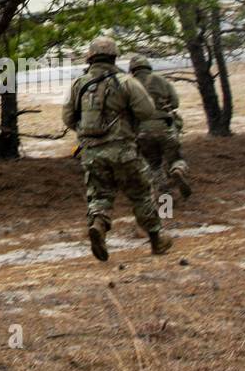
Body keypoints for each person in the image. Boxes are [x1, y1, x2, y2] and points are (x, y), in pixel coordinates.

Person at [62, 35, 174, 261]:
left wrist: (88, 133)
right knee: (141, 194)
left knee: (100, 195)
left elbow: (68, 118)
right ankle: (156, 240)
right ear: (114, 56)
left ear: (90, 57)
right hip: (123, 150)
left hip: (91, 152)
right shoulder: (125, 82)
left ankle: (98, 224)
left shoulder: (78, 84)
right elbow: (146, 111)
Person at [128, 54, 191, 199]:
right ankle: (177, 170)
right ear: (147, 66)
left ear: (132, 69)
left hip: (142, 131)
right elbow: (175, 103)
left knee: (154, 165)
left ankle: (166, 198)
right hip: (165, 126)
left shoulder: (129, 84)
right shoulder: (161, 80)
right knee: (176, 158)